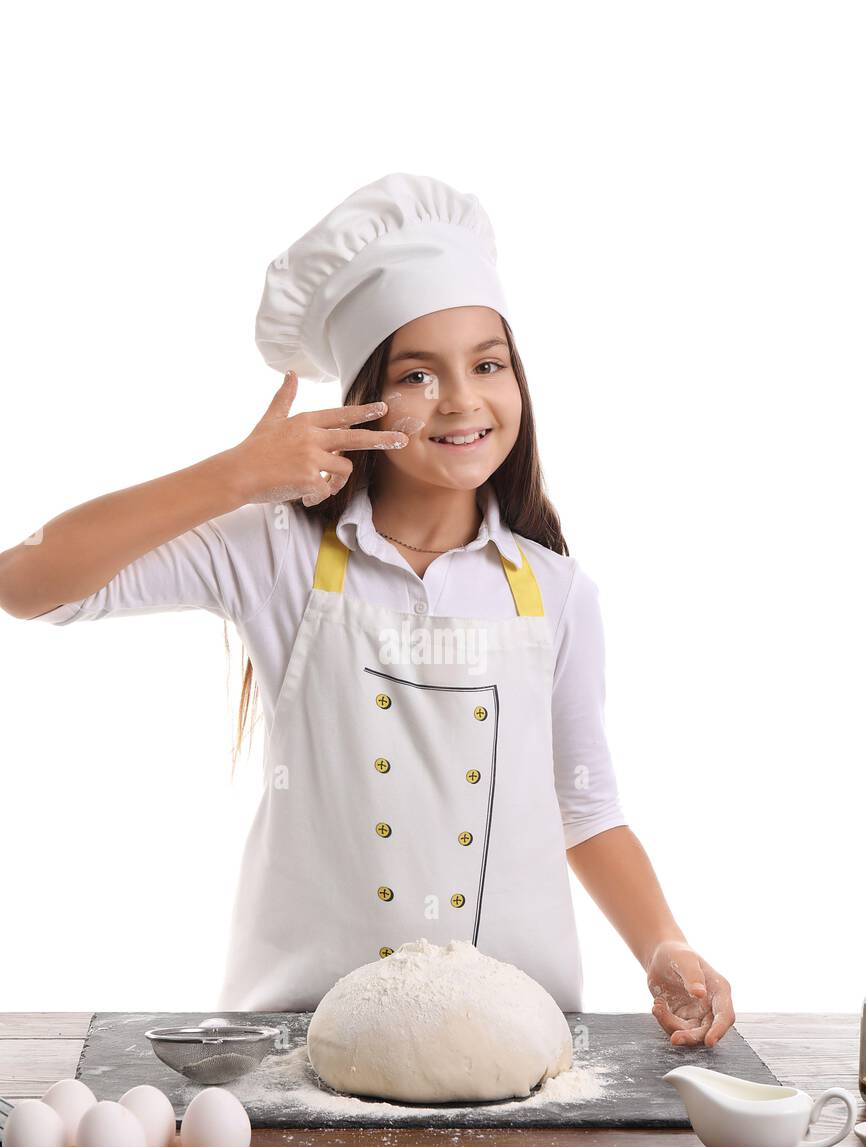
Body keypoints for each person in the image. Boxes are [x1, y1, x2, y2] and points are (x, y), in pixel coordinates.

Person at [0, 172, 734, 1044]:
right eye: (419, 373)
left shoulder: (557, 592)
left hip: (521, 1044)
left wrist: (663, 942)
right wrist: (237, 474)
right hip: (297, 1040)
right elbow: (28, 582)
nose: (463, 399)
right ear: (362, 398)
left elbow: (586, 805)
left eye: (488, 365)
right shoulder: (275, 554)